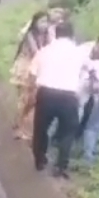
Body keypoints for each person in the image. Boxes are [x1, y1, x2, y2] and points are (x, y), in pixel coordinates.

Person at [28, 21, 86, 178]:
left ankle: (40, 160)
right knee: (68, 131)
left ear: (56, 34)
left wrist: (32, 93)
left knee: (41, 128)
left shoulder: (45, 51)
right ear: (72, 35)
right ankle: (61, 166)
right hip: (68, 96)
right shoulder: (79, 52)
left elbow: (32, 73)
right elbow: (86, 74)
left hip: (46, 94)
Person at [10, 11, 52, 141]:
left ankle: (19, 123)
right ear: (35, 23)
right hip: (26, 69)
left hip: (37, 68)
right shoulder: (29, 35)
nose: (44, 25)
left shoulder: (46, 35)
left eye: (46, 22)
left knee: (32, 101)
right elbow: (36, 53)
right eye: (41, 21)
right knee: (24, 100)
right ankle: (18, 129)